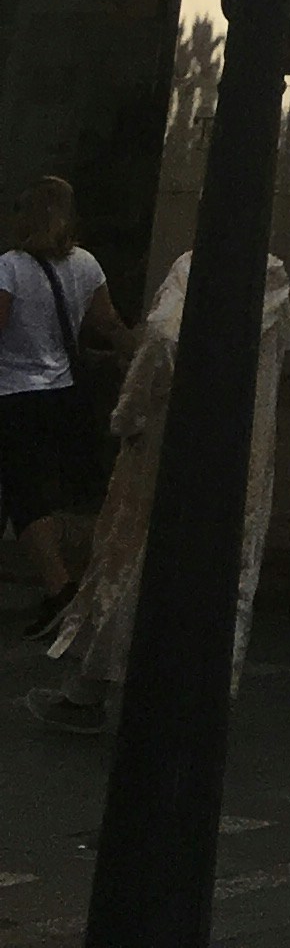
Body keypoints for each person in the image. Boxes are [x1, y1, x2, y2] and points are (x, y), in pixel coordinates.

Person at [30, 243, 290, 734]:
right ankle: (194, 699)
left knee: (130, 564)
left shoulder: (198, 265)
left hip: (170, 445)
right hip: (240, 452)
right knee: (219, 567)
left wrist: (130, 415)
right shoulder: (272, 278)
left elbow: (164, 340)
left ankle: (95, 693)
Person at [0, 176, 124, 640]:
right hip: (62, 393)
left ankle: (60, 591)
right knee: (38, 489)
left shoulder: (10, 268)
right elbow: (106, 321)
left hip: (13, 394)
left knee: (26, 496)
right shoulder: (87, 265)